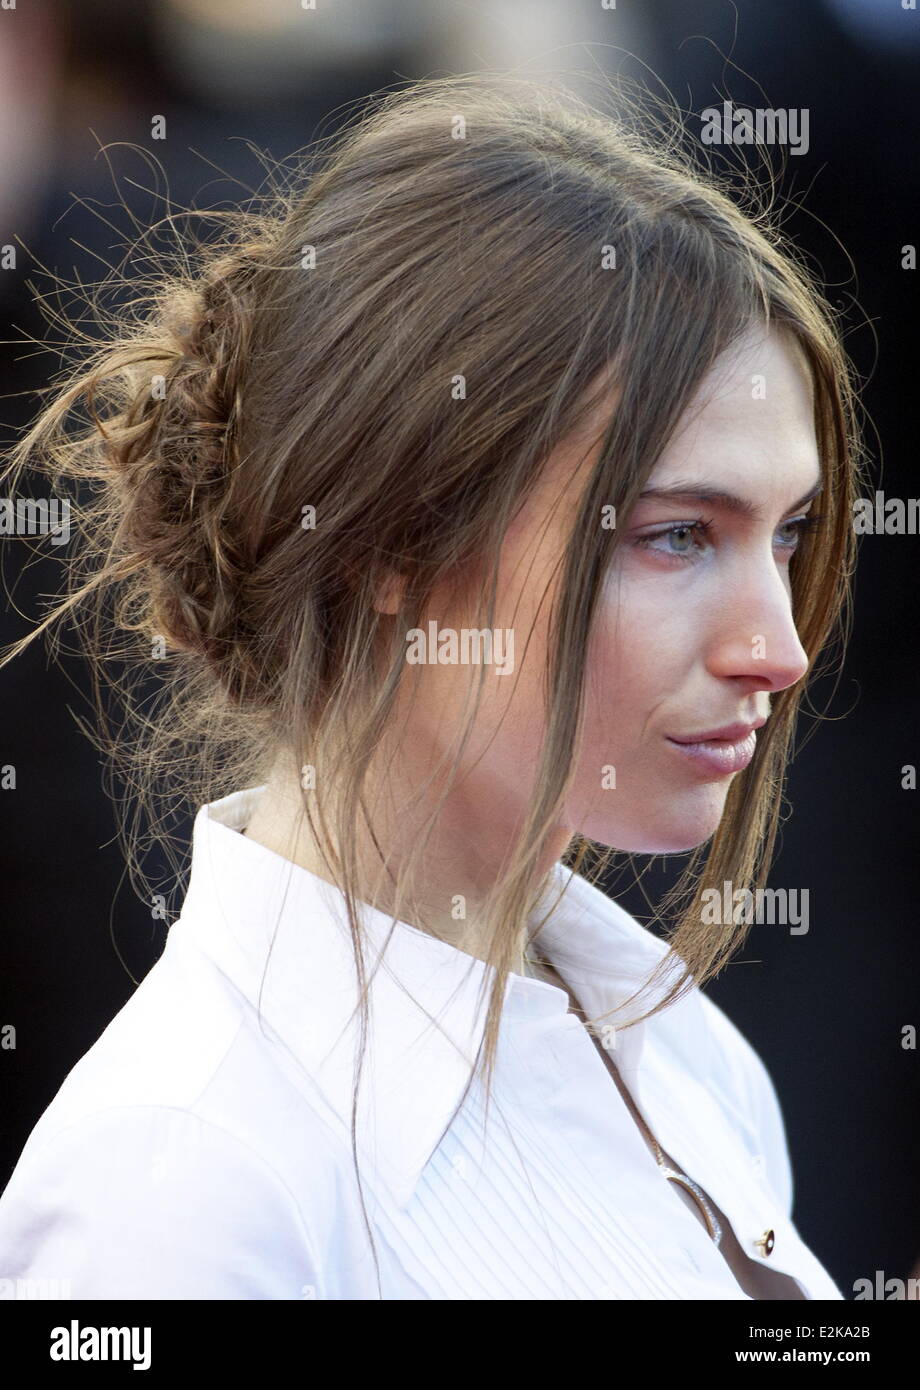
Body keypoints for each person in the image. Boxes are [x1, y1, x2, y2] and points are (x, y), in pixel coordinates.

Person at [0, 74, 864, 1300]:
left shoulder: (683, 1056)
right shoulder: (178, 1184)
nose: (774, 647)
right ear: (391, 541)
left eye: (787, 535)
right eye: (676, 536)